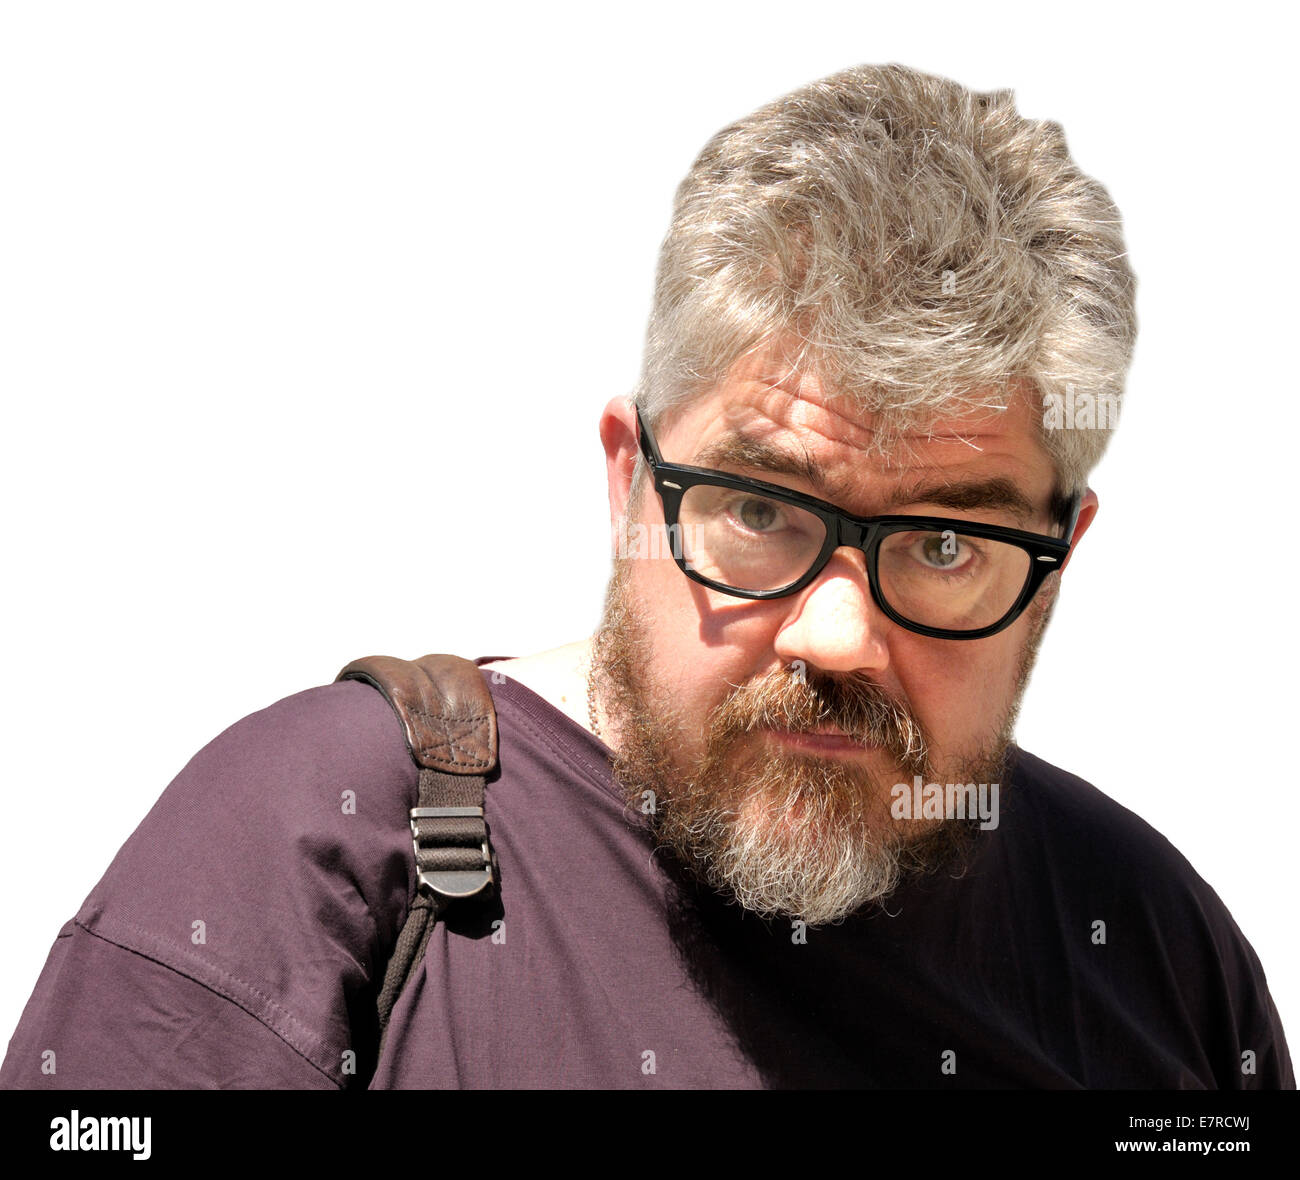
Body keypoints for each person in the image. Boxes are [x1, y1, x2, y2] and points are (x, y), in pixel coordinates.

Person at [1, 62, 1291, 1090]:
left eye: (948, 544)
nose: (839, 635)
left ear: (1057, 565)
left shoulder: (1157, 956)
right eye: (759, 510)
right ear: (630, 481)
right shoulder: (313, 848)